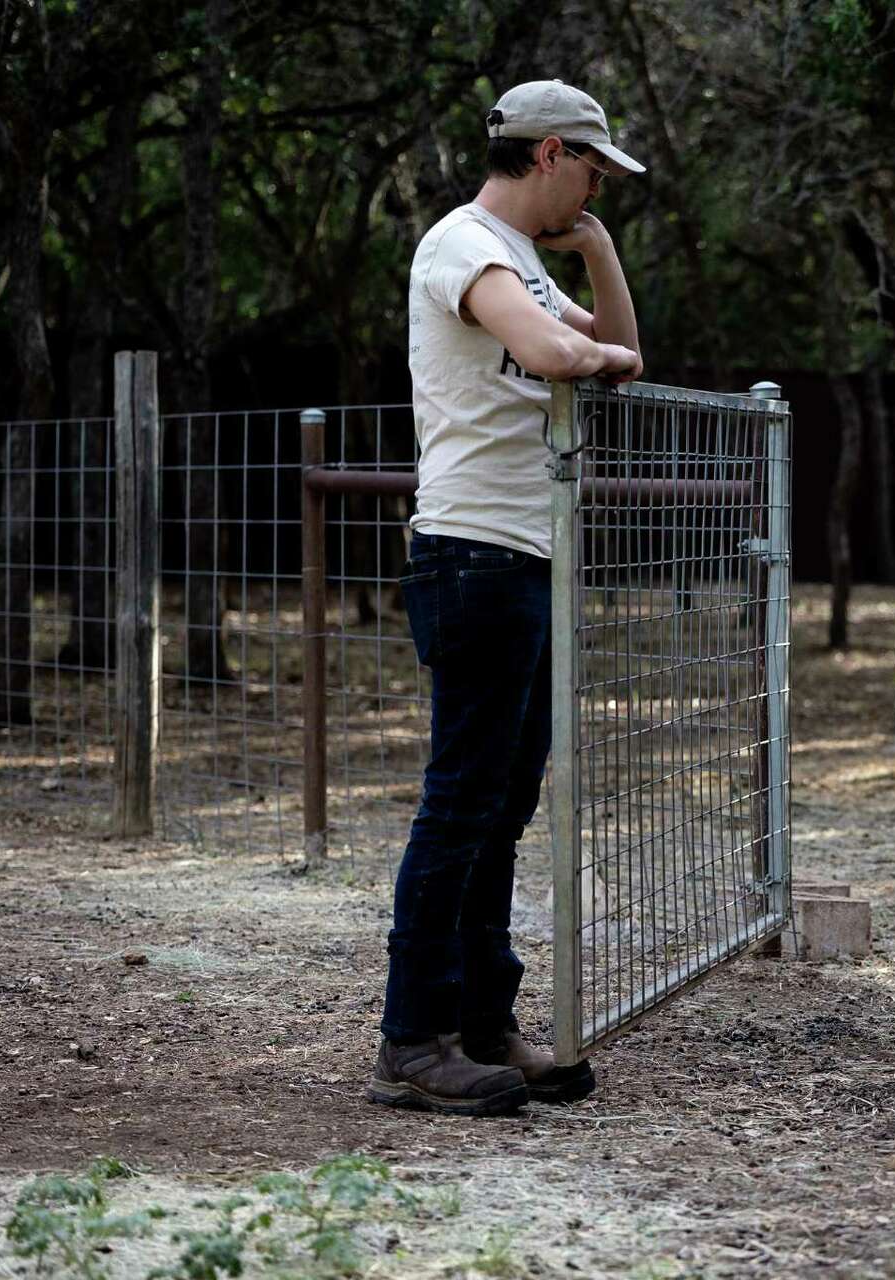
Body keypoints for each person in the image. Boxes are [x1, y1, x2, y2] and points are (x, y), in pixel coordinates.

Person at [366, 80, 644, 1116]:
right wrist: (594, 353)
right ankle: (414, 1034)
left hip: (524, 560)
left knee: (503, 804)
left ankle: (485, 1023)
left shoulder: (524, 257)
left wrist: (599, 249)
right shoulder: (463, 246)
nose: (597, 184)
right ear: (551, 154)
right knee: (460, 803)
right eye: (595, 168)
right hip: (470, 558)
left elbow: (617, 346)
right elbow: (557, 353)